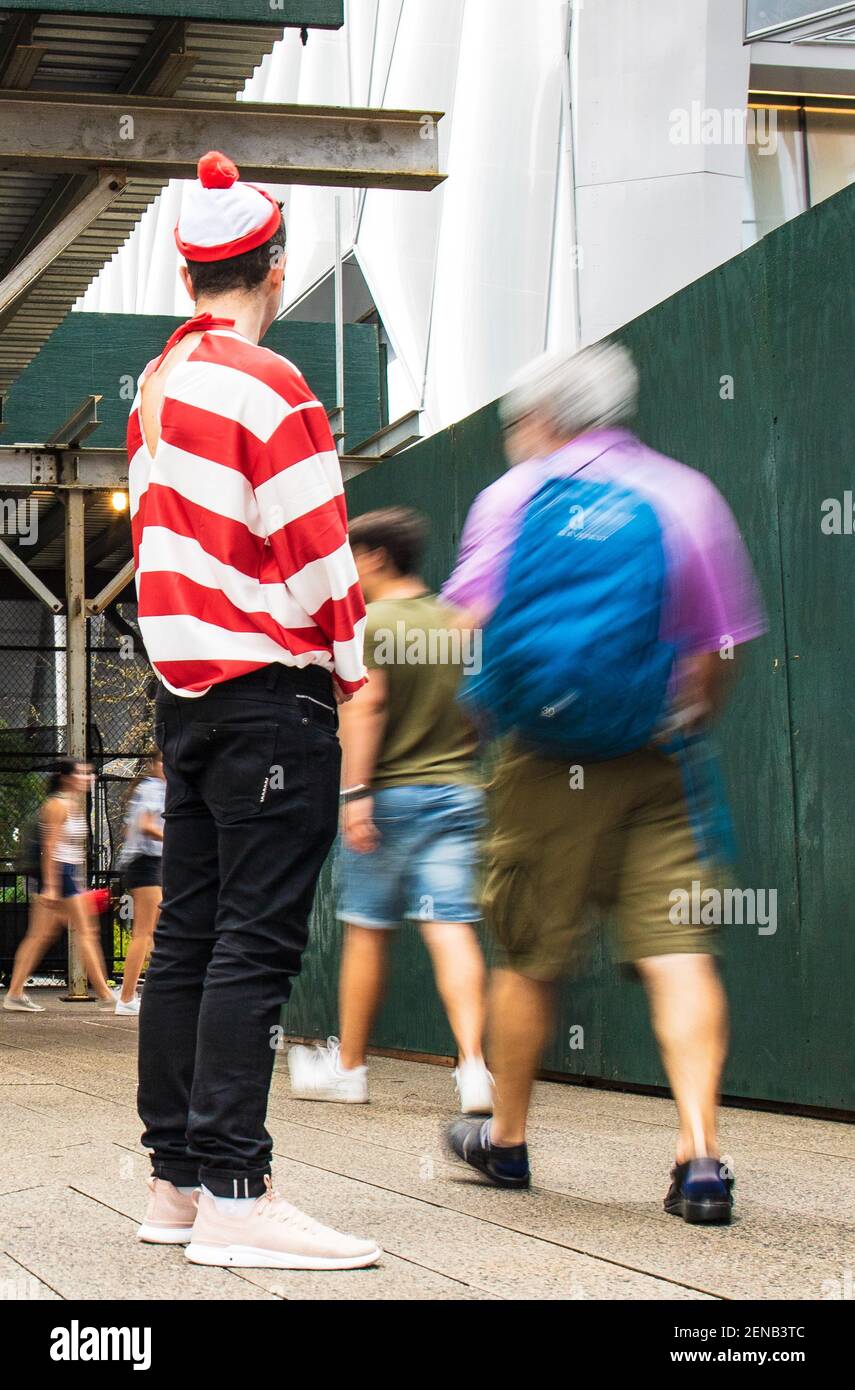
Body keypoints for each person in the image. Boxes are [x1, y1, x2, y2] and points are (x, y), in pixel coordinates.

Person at [443, 342, 766, 1224]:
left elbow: (463, 624)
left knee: (529, 958)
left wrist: (482, 719)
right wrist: (683, 716)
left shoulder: (511, 500)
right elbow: (720, 645)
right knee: (677, 953)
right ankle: (699, 1155)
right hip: (656, 758)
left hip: (543, 763)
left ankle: (505, 1141)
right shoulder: (682, 495)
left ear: (542, 420)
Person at [129, 150, 379, 1270]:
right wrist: (355, 671)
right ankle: (238, 1185)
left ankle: (176, 1181)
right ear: (274, 268)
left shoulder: (152, 389)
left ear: (189, 274)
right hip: (272, 694)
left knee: (187, 937)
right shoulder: (273, 388)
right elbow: (322, 558)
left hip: (186, 700)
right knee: (253, 944)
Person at [287, 507, 492, 1113]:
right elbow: (479, 710)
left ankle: (349, 1068)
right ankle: (475, 1069)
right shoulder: (456, 624)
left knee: (368, 933)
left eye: (351, 556)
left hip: (390, 797)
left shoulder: (370, 624)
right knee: (451, 927)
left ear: (375, 557)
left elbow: (365, 708)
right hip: (457, 791)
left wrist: (354, 796)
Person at [4, 759, 116, 1011]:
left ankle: (14, 992)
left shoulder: (72, 804)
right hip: (58, 876)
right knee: (86, 933)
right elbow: (51, 847)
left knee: (40, 936)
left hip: (65, 876)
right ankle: (106, 995)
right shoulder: (57, 805)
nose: (89, 778)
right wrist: (53, 887)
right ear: (67, 778)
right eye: (83, 774)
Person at [115, 753, 166, 1016]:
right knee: (144, 933)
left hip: (146, 863)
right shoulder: (154, 789)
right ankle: (126, 997)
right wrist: (174, 837)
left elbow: (129, 829)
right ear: (155, 765)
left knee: (155, 933)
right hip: (146, 864)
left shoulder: (152, 788)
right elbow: (146, 825)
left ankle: (158, 991)